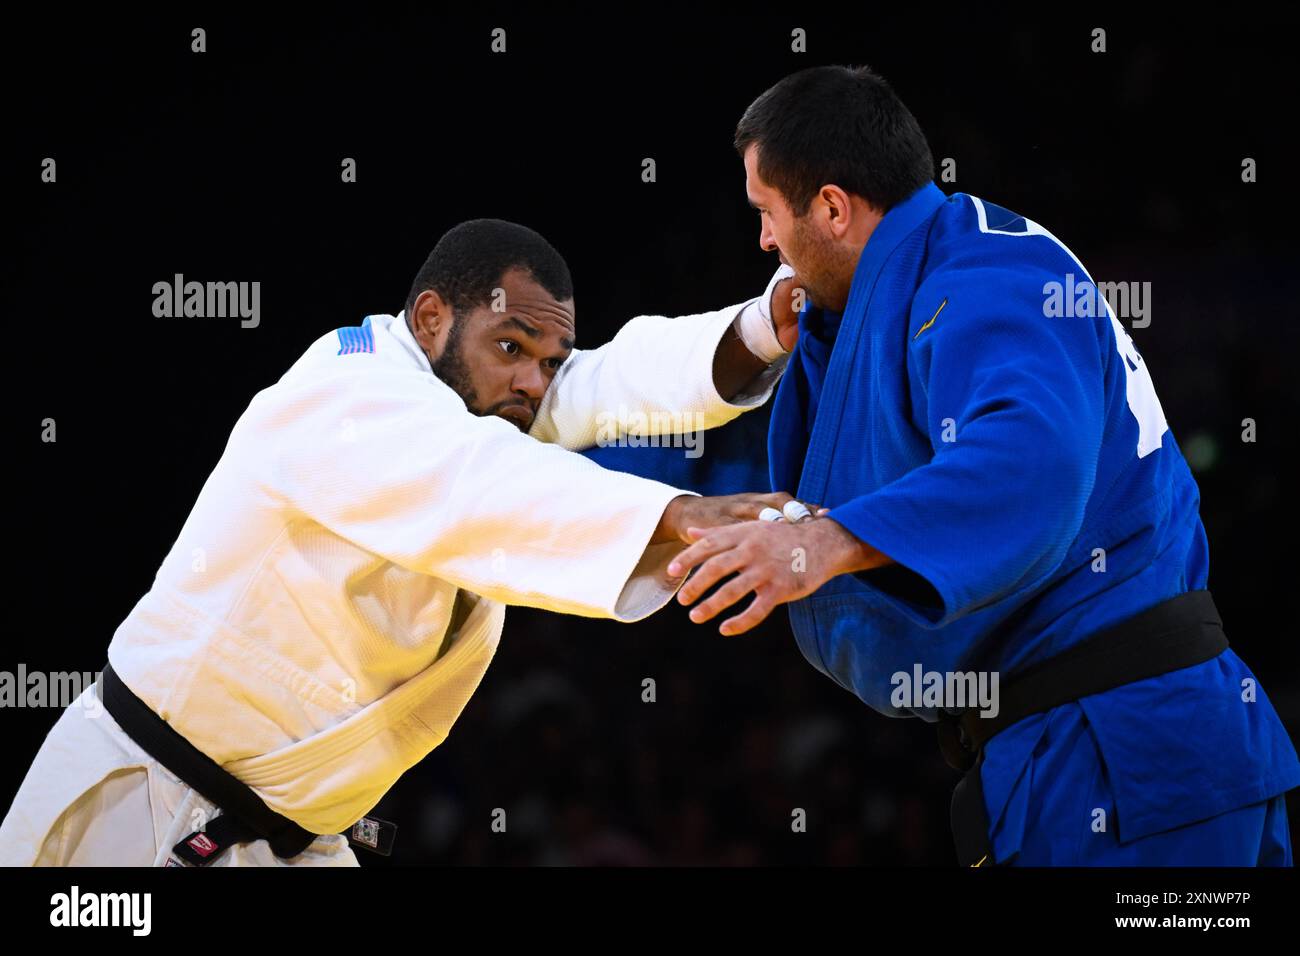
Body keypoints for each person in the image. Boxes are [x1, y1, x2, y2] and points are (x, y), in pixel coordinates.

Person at [0, 218, 801, 866]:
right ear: (430, 319)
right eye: (511, 347)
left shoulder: (473, 400)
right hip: (139, 812)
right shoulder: (350, 393)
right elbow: (475, 483)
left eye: (547, 361)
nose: (533, 381)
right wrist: (682, 515)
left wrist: (764, 328)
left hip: (284, 838)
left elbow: (603, 382)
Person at [670, 65, 1300, 865]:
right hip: (1095, 748)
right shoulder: (936, 271)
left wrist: (825, 542)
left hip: (1125, 749)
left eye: (765, 212)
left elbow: (1030, 464)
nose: (764, 241)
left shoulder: (985, 274)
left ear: (830, 207)